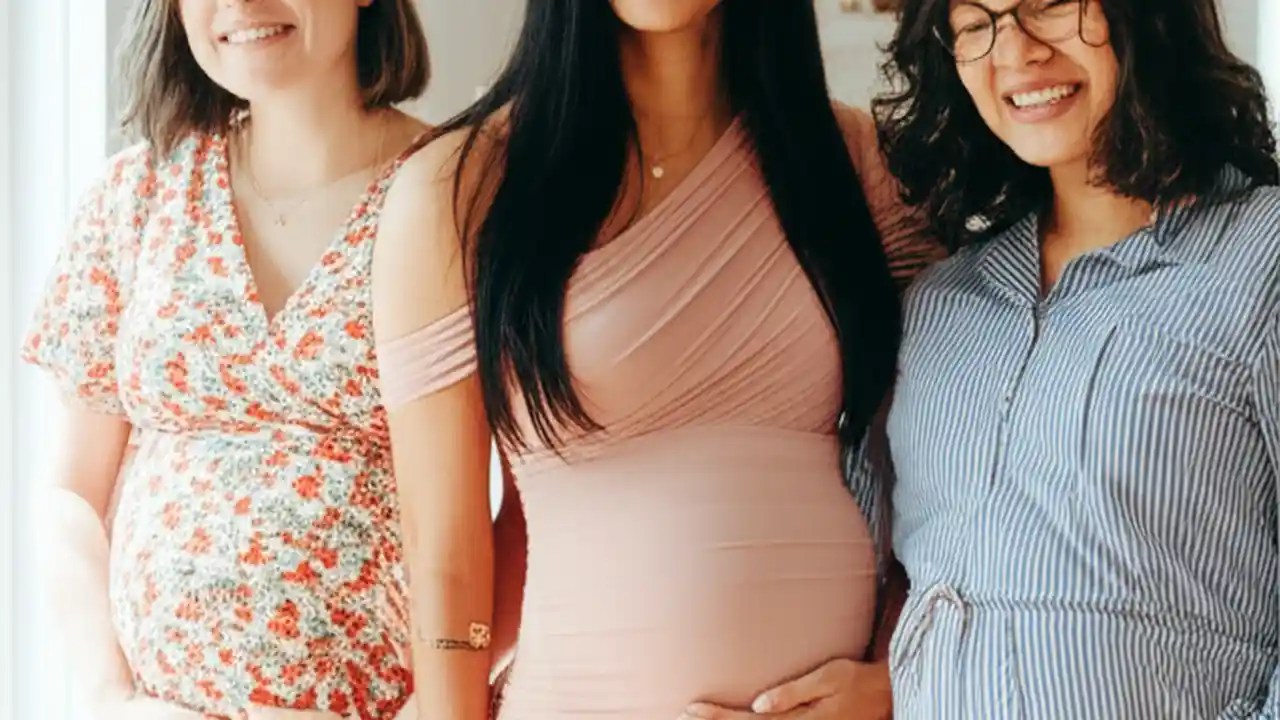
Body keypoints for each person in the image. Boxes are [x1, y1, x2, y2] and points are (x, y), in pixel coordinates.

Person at [711, 0, 1279, 717]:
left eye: (1048, 6)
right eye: (977, 24)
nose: (1015, 51)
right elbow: (879, 561)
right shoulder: (942, 303)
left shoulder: (1263, 259)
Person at [375, 0, 941, 718]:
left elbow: (951, 492)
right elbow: (447, 560)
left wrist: (893, 677)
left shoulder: (855, 163)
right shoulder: (461, 191)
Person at [18, 0, 492, 717]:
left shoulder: (459, 198)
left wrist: (436, 704)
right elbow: (69, 501)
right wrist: (110, 699)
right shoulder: (134, 197)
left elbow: (539, 510)